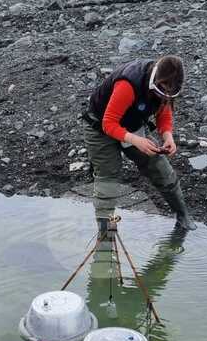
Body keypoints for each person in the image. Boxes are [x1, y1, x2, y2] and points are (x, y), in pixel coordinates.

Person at [82, 55, 196, 237]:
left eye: (169, 94)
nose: (164, 96)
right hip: (100, 128)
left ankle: (183, 216)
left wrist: (168, 136)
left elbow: (164, 114)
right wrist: (136, 141)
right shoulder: (128, 84)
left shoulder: (168, 88)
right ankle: (105, 234)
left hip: (132, 125)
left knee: (160, 168)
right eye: (161, 91)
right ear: (155, 80)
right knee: (108, 178)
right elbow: (108, 123)